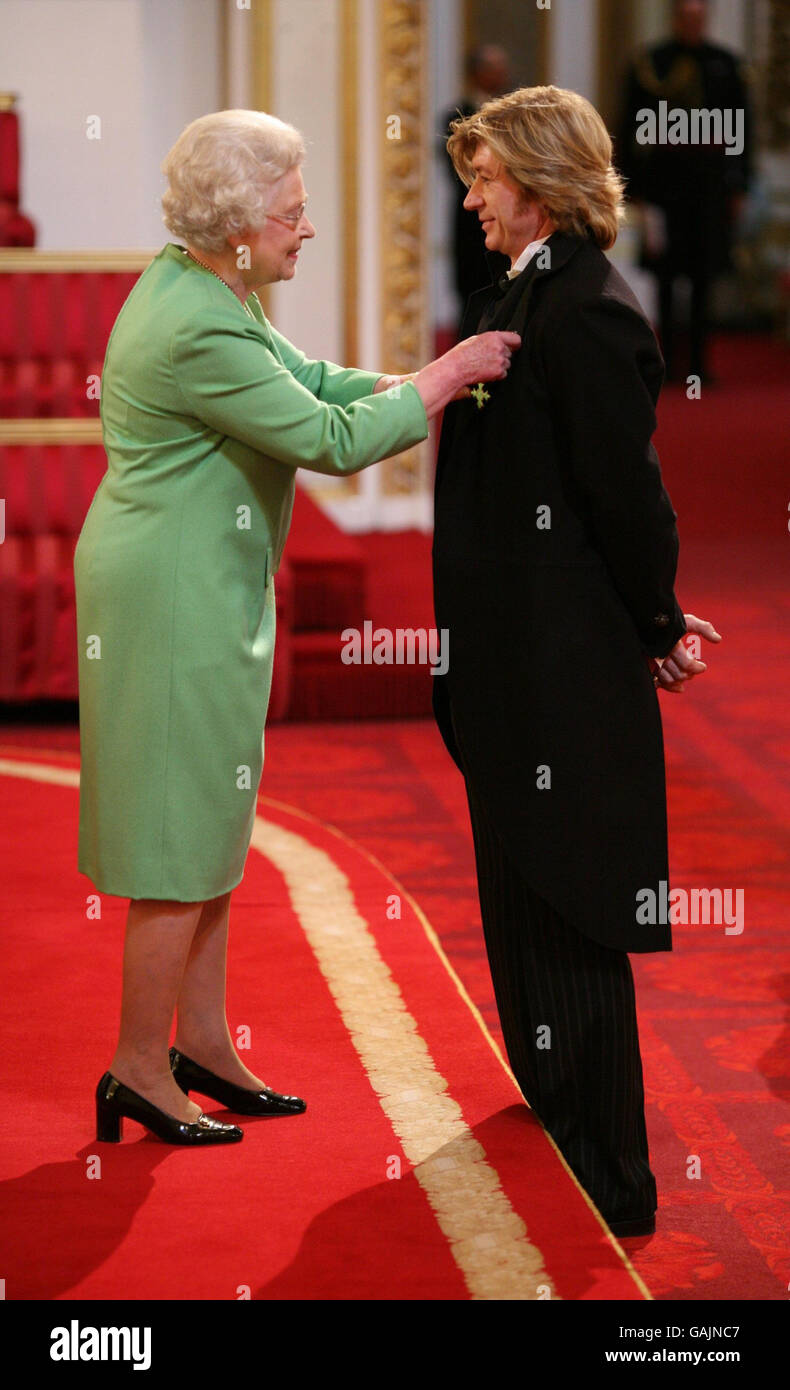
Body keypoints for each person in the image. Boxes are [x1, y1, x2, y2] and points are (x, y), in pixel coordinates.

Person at [76, 108, 519, 1147]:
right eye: (291, 213)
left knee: (211, 829)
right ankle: (139, 1065)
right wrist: (444, 377)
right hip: (170, 598)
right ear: (238, 228)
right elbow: (326, 437)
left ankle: (202, 1044)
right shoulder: (194, 319)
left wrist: (410, 378)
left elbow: (310, 383)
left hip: (200, 581)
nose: (304, 229)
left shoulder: (207, 286)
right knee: (173, 842)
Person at [431, 85, 722, 1237]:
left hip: (559, 662)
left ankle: (611, 1172)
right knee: (522, 874)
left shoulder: (590, 307)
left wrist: (655, 623)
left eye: (484, 178)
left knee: (575, 892)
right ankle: (555, 1104)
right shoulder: (530, 289)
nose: (469, 198)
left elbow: (624, 496)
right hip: (515, 654)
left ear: (540, 185)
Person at [617, 0, 752, 382]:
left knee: (702, 277)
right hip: (662, 190)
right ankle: (667, 364)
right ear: (675, 19)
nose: (693, 25)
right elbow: (630, 127)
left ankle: (698, 365)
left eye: (699, 18)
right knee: (664, 278)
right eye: (686, 18)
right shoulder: (650, 63)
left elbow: (742, 132)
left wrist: (739, 184)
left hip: (709, 190)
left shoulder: (727, 65)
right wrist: (633, 187)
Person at [439, 45, 513, 322]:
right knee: (471, 297)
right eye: (491, 69)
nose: (499, 76)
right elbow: (457, 174)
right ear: (475, 74)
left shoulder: (511, 121)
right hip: (469, 228)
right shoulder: (455, 117)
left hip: (505, 220)